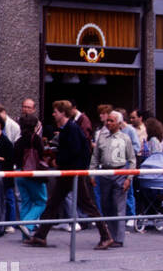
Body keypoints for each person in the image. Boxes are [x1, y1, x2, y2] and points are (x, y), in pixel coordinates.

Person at [28, 101, 112, 249]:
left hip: (73, 173)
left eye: (55, 112)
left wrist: (58, 160)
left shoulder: (71, 129)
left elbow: (74, 151)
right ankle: (41, 235)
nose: (53, 114)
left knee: (86, 204)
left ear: (62, 113)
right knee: (54, 203)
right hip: (71, 172)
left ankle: (106, 236)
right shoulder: (69, 128)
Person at [92, 110, 136, 247]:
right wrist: (92, 174)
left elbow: (132, 160)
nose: (108, 123)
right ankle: (109, 235)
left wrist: (129, 177)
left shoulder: (125, 138)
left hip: (120, 173)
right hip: (104, 173)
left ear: (119, 123)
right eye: (108, 121)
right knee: (106, 205)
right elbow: (95, 157)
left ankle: (119, 238)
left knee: (119, 206)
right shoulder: (102, 137)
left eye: (112, 121)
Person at [12, 113, 48, 230]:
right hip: (33, 174)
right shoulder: (36, 139)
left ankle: (25, 236)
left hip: (19, 173)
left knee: (25, 203)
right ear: (35, 126)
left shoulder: (19, 141)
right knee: (41, 202)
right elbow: (42, 155)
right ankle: (27, 224)